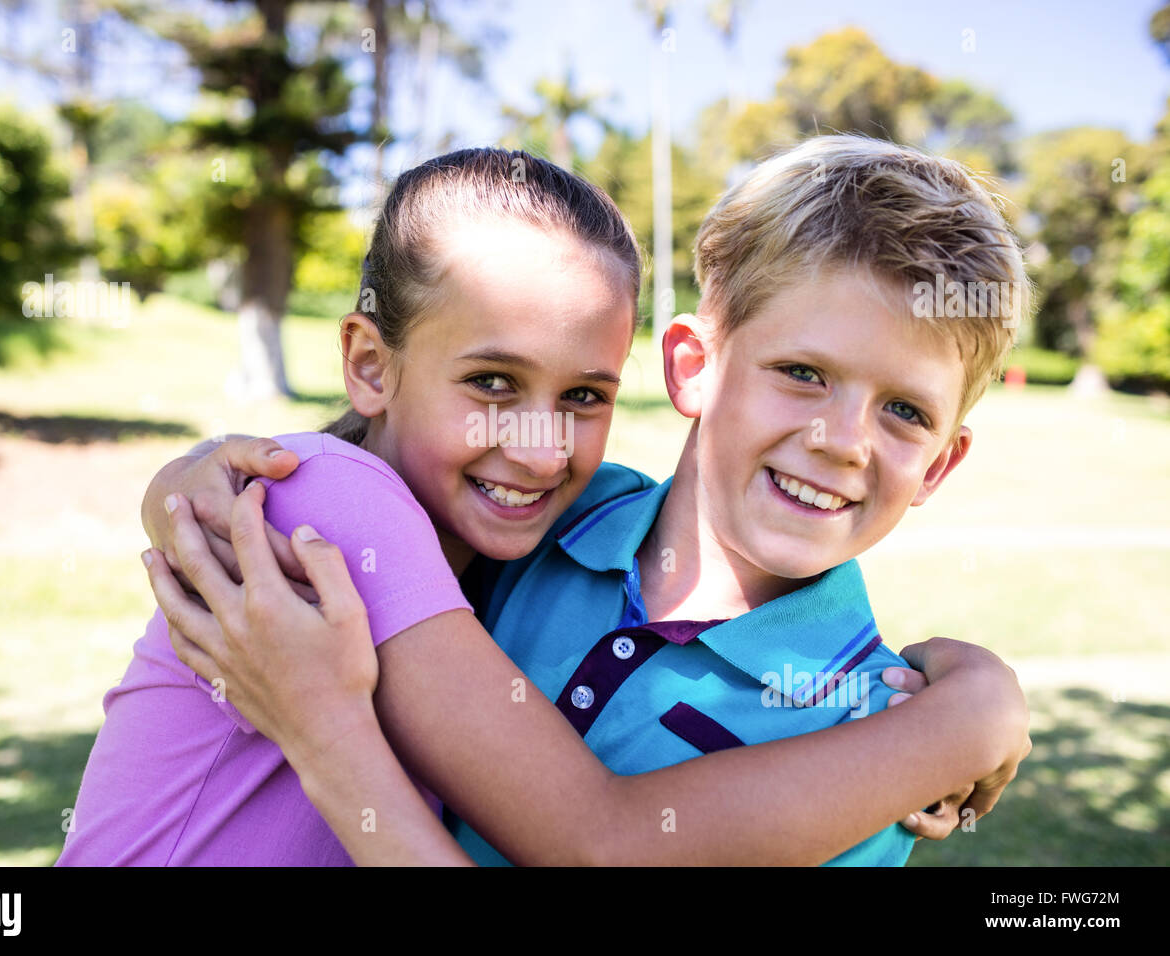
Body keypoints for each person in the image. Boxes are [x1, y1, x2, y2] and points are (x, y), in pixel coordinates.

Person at [71, 144, 1031, 867]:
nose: (842, 439)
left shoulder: (867, 731)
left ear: (942, 463)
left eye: (582, 396)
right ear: (693, 369)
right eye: (802, 374)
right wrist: (967, 720)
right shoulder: (462, 523)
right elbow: (598, 841)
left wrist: (964, 700)